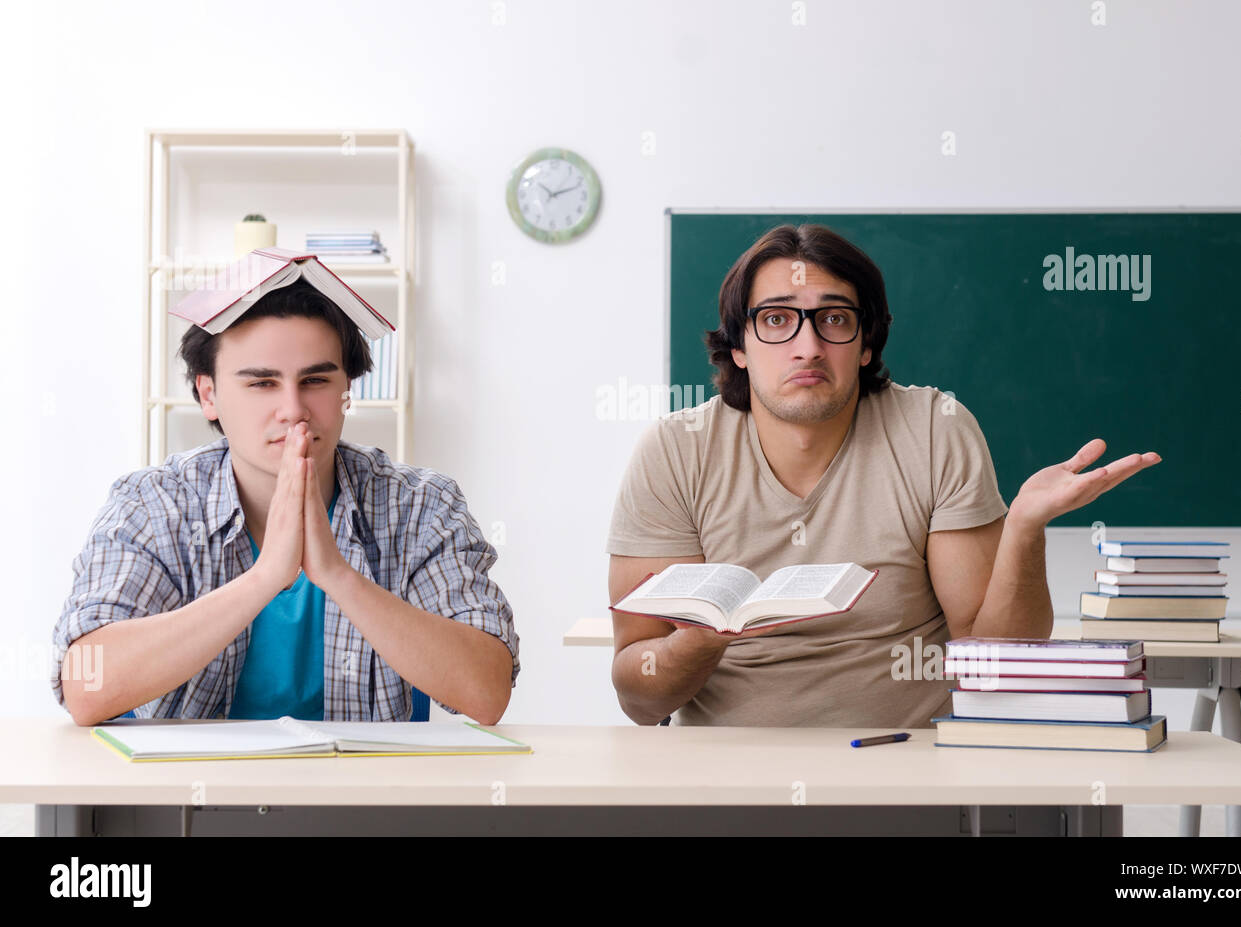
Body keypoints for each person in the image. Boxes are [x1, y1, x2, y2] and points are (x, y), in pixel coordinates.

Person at [606, 224, 1159, 727]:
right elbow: (640, 699)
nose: (808, 346)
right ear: (739, 346)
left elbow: (994, 662)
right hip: (728, 783)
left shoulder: (935, 429)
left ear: (867, 343)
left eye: (835, 319)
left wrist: (1023, 530)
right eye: (777, 319)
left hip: (908, 769)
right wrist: (698, 644)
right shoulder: (676, 451)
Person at [53, 278, 518, 725]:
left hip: (366, 798)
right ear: (208, 394)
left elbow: (487, 694)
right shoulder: (153, 503)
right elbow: (84, 688)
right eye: (262, 384)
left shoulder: (420, 505)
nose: (294, 409)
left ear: (345, 392)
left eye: (315, 380)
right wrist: (264, 578)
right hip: (192, 797)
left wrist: (337, 575)